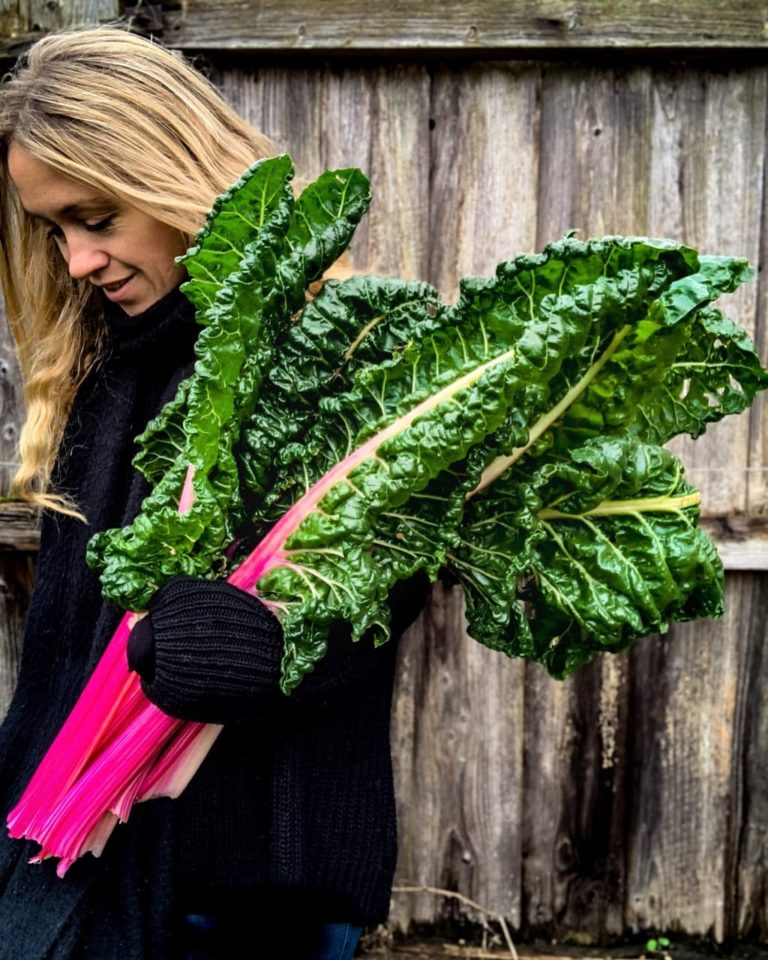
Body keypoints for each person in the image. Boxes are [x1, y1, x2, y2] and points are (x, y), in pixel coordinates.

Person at [0, 27, 428, 960]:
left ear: (178, 179)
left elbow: (377, 605)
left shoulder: (337, 356)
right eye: (52, 230)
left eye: (98, 217)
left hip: (251, 890)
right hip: (70, 867)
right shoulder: (100, 366)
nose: (76, 261)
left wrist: (251, 648)